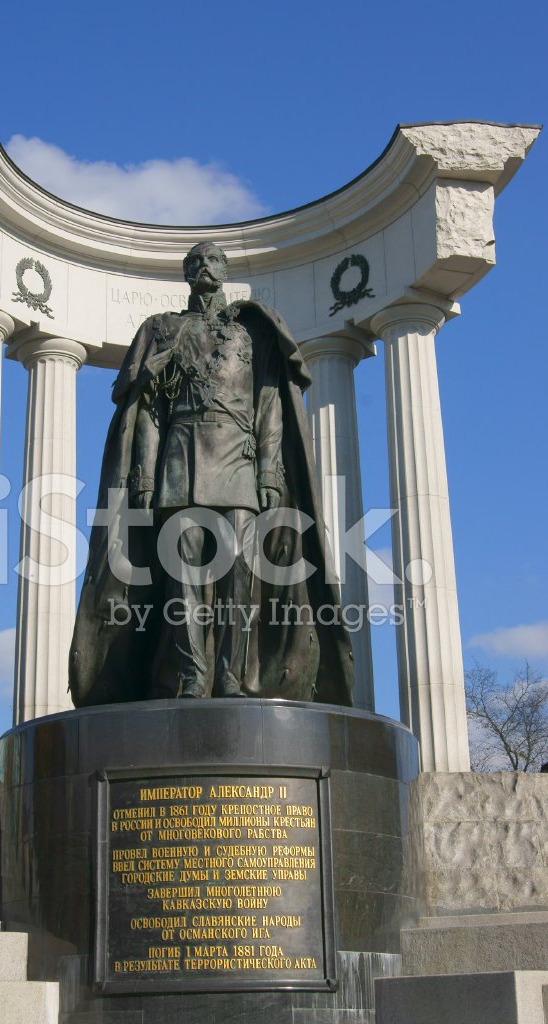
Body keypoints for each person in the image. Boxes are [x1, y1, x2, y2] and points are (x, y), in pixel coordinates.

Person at [69, 241, 354, 707]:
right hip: (178, 464)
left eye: (214, 259)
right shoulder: (164, 330)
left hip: (238, 464)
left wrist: (268, 470)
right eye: (196, 260)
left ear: (224, 271)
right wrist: (143, 476)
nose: (205, 265)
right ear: (185, 273)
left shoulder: (251, 333)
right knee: (182, 579)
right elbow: (149, 413)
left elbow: (269, 408)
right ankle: (191, 677)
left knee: (239, 576)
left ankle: (229, 675)